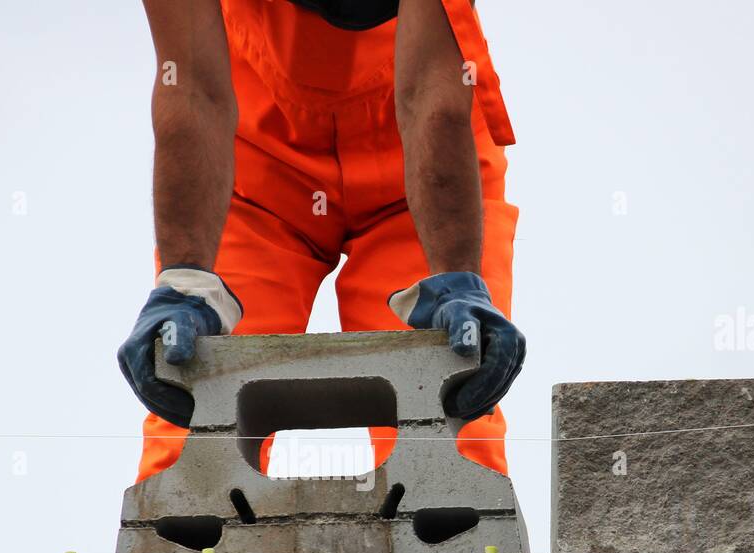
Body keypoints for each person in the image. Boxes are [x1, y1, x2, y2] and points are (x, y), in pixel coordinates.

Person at [118, 0, 524, 483]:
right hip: (251, 161)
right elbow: (192, 89)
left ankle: (450, 552)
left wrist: (456, 277)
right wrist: (186, 278)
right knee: (194, 415)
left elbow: (428, 94)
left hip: (424, 166)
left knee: (449, 415)